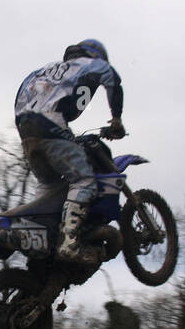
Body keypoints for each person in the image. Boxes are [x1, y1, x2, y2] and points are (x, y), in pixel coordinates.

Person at [13, 39, 126, 264]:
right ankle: (69, 243)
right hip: (49, 123)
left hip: (24, 127)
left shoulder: (43, 70)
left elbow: (22, 97)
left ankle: (39, 235)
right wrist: (116, 120)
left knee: (50, 185)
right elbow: (112, 79)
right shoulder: (91, 64)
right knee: (84, 180)